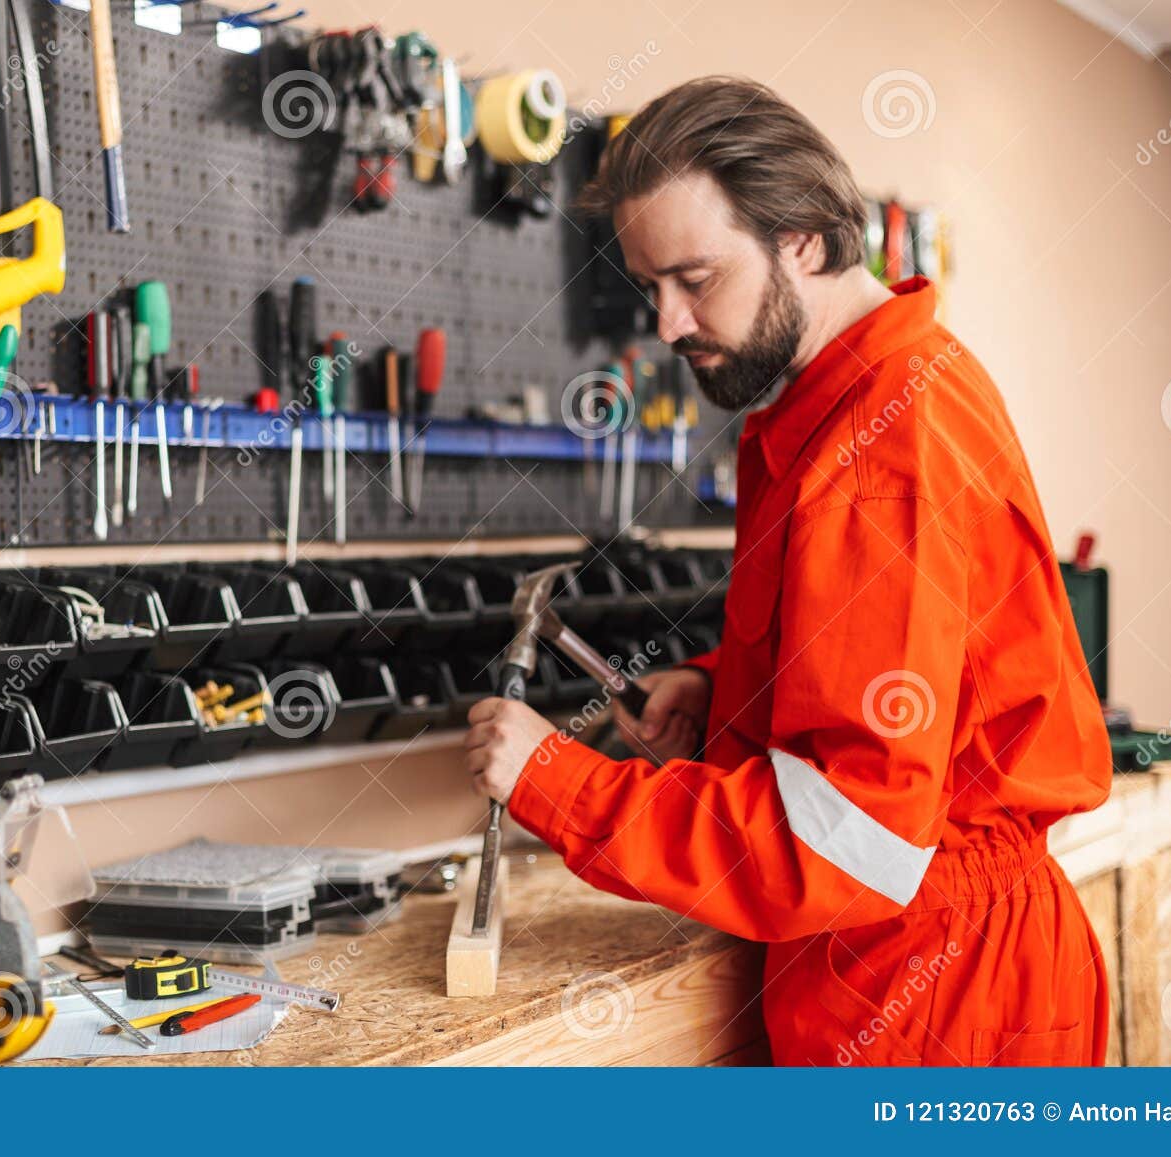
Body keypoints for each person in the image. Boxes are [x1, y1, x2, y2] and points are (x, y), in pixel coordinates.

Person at [463, 76, 1112, 1066]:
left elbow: (850, 840)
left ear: (802, 237)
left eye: (695, 276)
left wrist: (562, 783)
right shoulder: (855, 399)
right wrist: (729, 694)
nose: (668, 324)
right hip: (902, 958)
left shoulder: (879, 454)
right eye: (648, 287)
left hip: (933, 994)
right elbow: (902, 688)